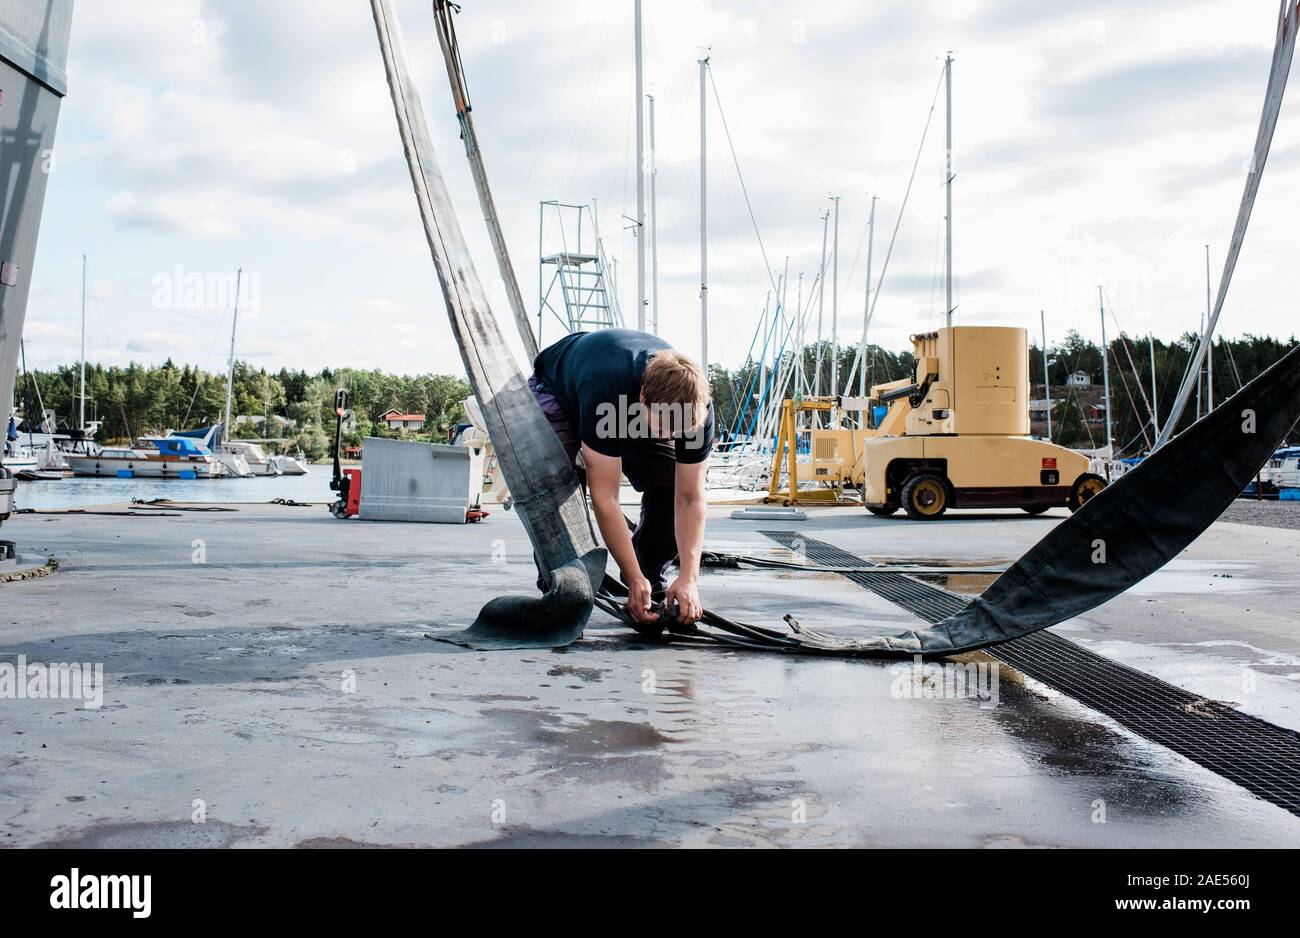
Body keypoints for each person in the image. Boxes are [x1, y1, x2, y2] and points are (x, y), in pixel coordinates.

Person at [530, 329, 714, 626]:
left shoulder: (696, 410)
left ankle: (650, 581)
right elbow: (606, 499)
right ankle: (560, 584)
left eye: (677, 431)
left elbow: (690, 498)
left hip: (626, 408)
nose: (670, 437)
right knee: (555, 488)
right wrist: (631, 574)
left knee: (670, 480)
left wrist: (689, 577)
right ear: (643, 397)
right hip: (560, 392)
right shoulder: (604, 390)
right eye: (665, 427)